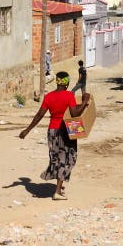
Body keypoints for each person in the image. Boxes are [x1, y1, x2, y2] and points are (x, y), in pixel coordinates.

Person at [19, 71, 91, 200]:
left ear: (57, 82)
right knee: (69, 158)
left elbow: (39, 115)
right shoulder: (69, 95)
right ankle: (57, 191)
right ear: (67, 83)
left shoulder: (49, 96)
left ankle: (58, 185)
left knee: (56, 158)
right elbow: (75, 113)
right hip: (65, 131)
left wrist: (27, 130)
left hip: (52, 131)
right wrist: (85, 101)